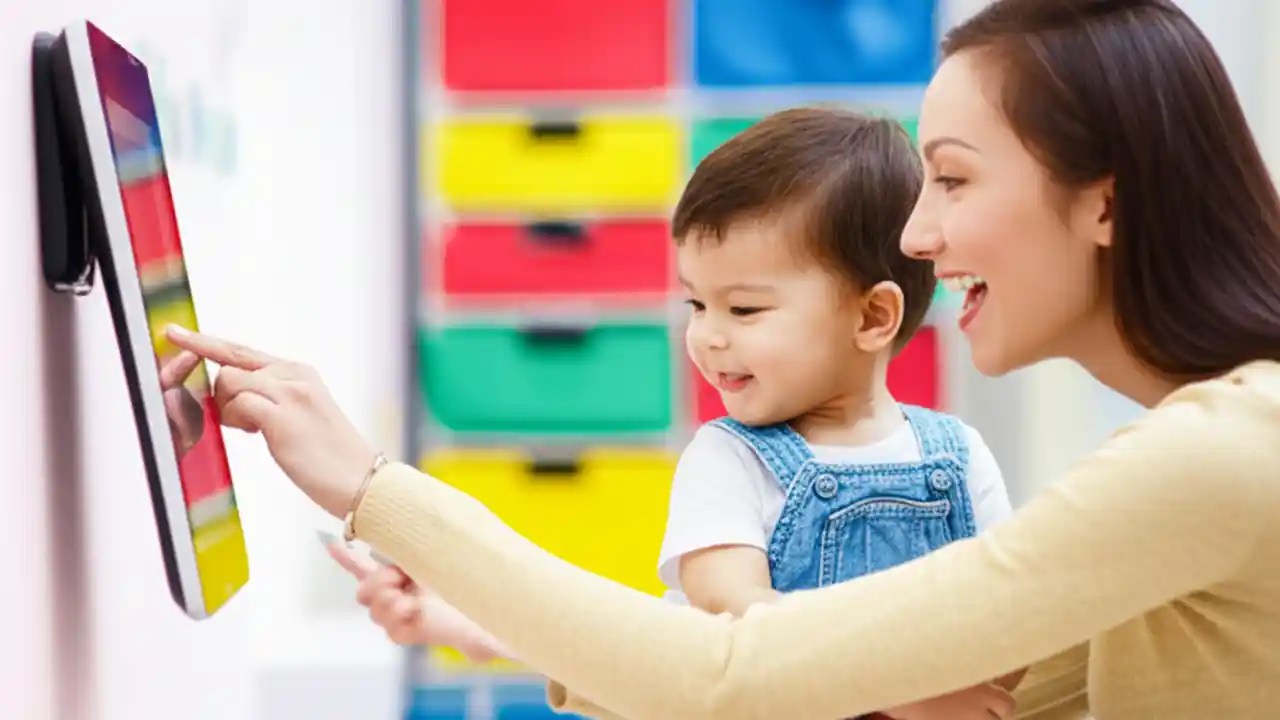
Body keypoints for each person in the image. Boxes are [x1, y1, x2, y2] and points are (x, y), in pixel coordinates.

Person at [168, 0, 1280, 716]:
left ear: (1101, 203)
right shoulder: (1218, 452)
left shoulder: (1209, 461)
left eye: (950, 179)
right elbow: (873, 683)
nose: (918, 233)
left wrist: (373, 490)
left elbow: (736, 678)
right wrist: (482, 623)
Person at [345, 107, 1021, 720]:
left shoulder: (956, 458)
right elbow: (738, 618)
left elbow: (1010, 621)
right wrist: (904, 690)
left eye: (745, 309)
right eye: (698, 305)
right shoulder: (730, 458)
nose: (707, 336)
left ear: (873, 316)